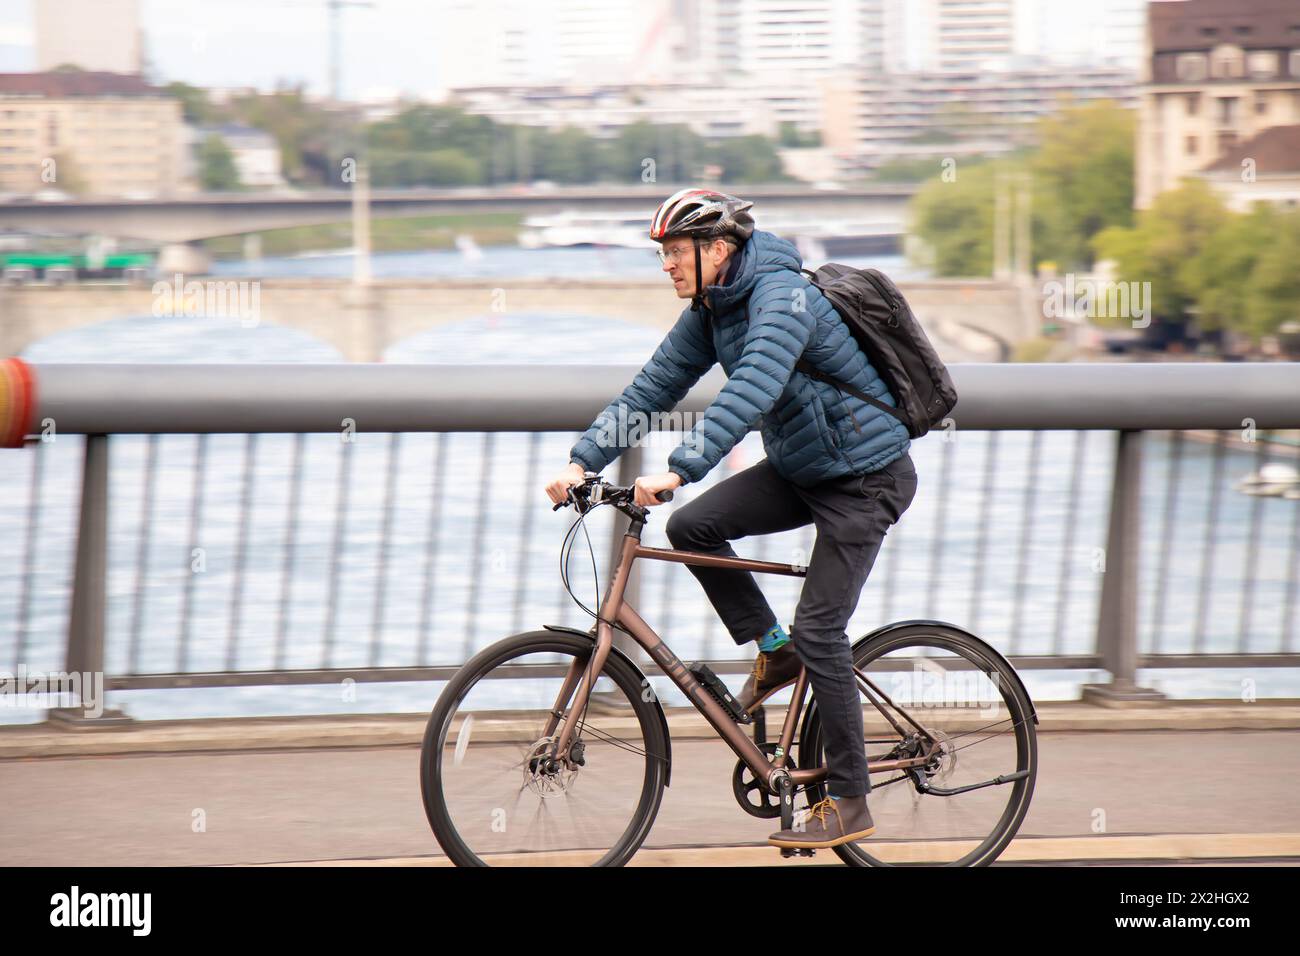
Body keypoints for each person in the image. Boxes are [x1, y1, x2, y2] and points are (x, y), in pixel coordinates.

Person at [544, 187, 918, 850]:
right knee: (692, 529)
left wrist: (681, 467)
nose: (665, 264)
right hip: (804, 470)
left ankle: (850, 799)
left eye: (672, 250)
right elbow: (652, 388)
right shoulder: (712, 310)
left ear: (718, 248)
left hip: (865, 479)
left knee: (824, 627)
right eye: (661, 252)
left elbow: (753, 388)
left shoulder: (782, 297)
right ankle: (777, 655)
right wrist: (583, 459)